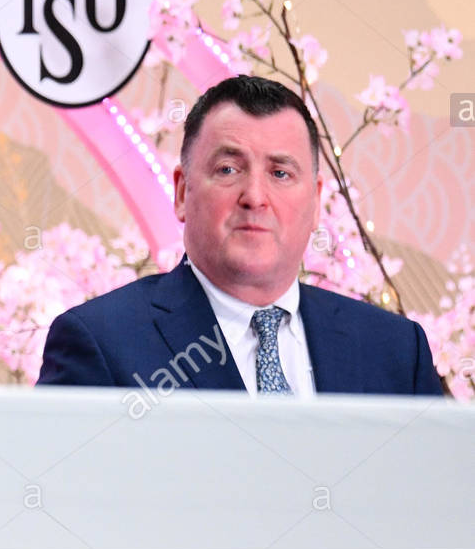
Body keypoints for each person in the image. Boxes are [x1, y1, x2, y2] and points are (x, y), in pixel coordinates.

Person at [36, 75, 443, 396]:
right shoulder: (101, 343)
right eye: (229, 170)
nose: (255, 197)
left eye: (281, 173)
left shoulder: (395, 352)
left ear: (317, 201)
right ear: (181, 192)